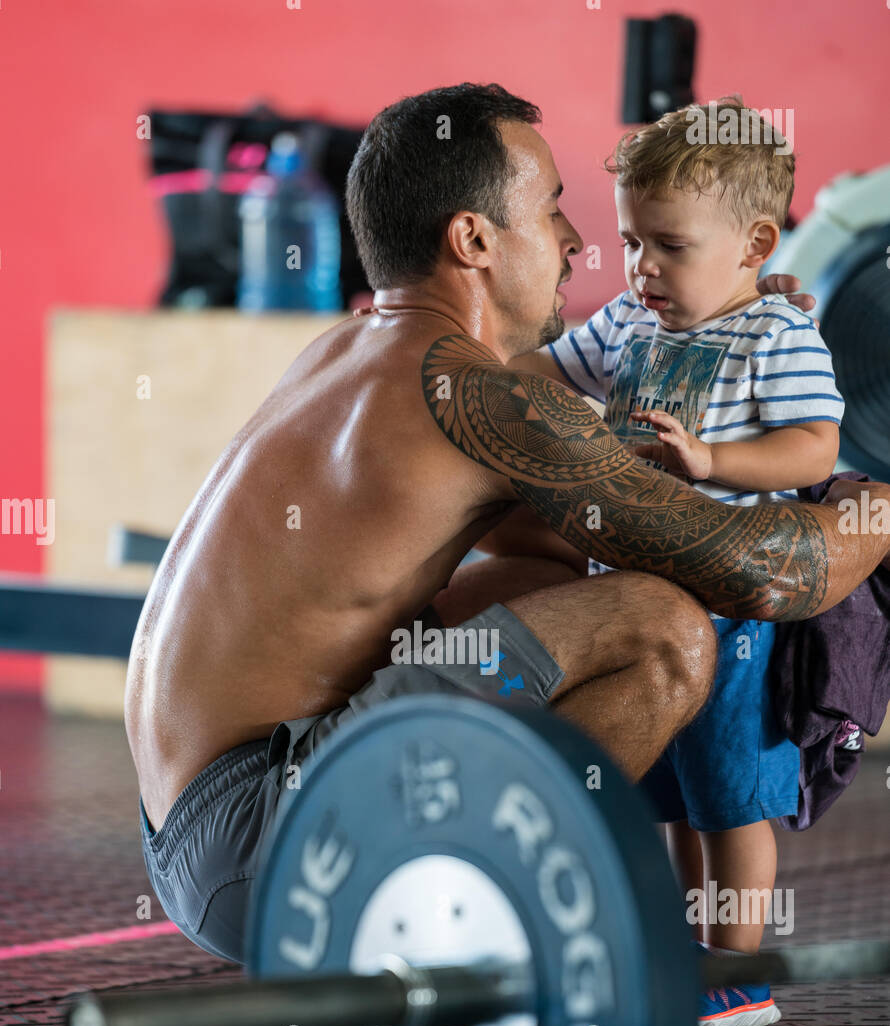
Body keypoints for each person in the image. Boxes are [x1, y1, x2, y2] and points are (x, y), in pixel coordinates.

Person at [125, 83, 890, 967]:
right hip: (272, 840)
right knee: (663, 631)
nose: (574, 241)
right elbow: (767, 573)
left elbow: (581, 521)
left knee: (550, 575)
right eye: (554, 209)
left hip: (186, 829)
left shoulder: (348, 347)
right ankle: (486, 929)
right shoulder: (485, 397)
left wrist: (740, 327)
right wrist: (872, 505)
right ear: (474, 240)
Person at [516, 98, 844, 1026]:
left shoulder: (775, 336)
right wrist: (444, 351)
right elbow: (545, 373)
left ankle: (741, 970)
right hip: (632, 600)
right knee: (675, 796)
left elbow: (816, 449)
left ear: (754, 243)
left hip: (732, 607)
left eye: (669, 245)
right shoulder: (630, 320)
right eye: (630, 243)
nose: (642, 267)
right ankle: (688, 946)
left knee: (732, 800)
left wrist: (714, 463)